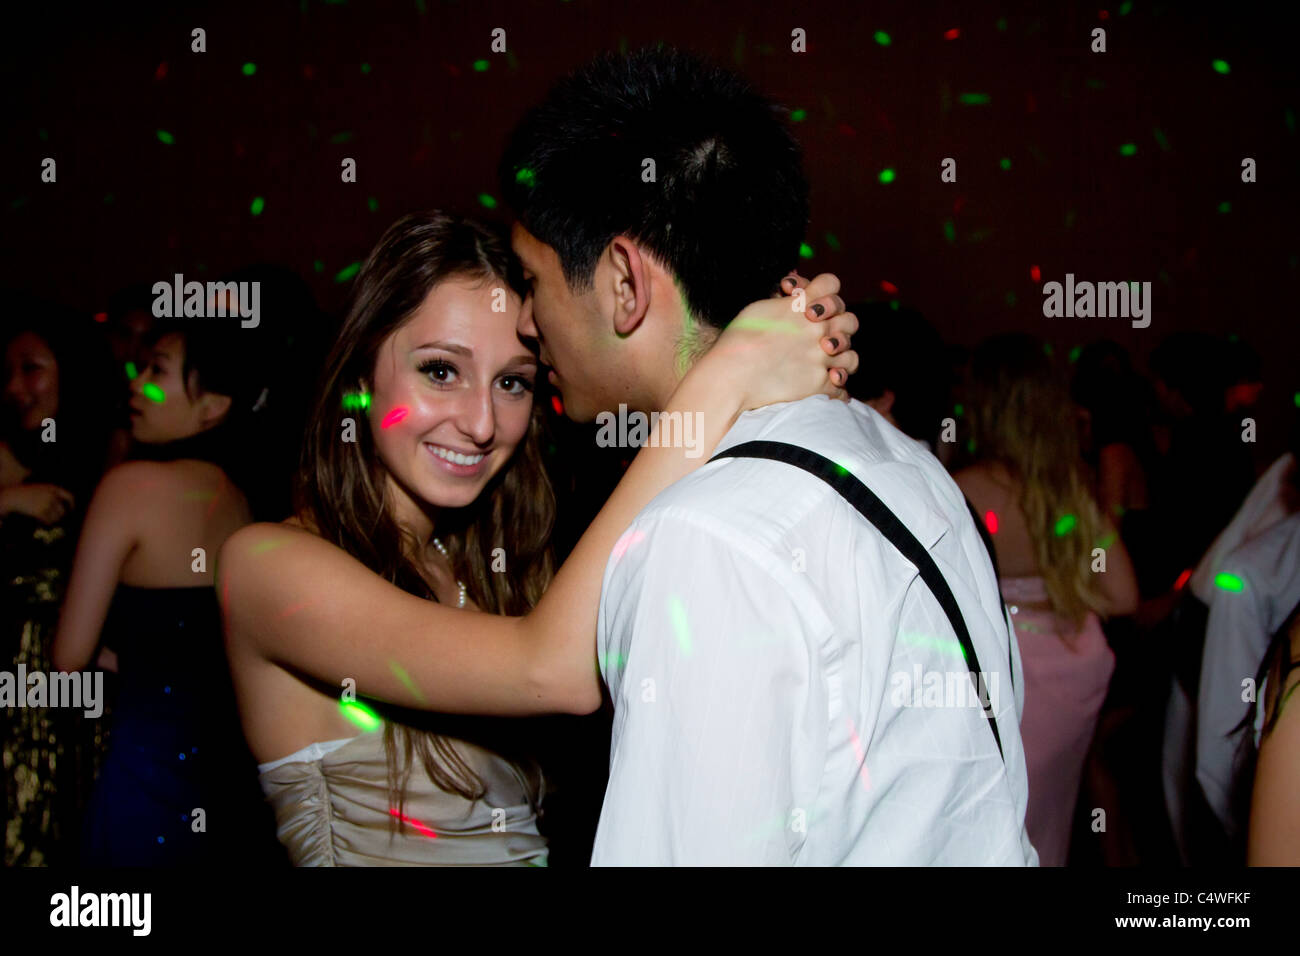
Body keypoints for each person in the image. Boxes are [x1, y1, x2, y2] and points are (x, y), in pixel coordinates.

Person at [492, 46, 1031, 865]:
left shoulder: (704, 542)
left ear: (625, 285)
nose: (527, 323)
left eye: (530, 280)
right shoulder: (903, 457)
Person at [218, 210, 856, 865]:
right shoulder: (269, 567)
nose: (482, 422)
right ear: (359, 376)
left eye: (512, 382)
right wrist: (728, 371)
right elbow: (551, 671)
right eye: (441, 370)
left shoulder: (500, 568)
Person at [52, 314, 285, 866]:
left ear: (214, 405)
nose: (137, 384)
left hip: (145, 781)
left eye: (158, 371)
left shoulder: (129, 487)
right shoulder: (240, 501)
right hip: (228, 788)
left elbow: (67, 660)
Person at [953, 334, 1138, 866]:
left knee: (998, 820)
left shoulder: (959, 487)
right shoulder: (1064, 490)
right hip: (1069, 666)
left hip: (1008, 674)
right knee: (1046, 819)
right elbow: (1123, 594)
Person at [2, 306, 118, 865]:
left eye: (32, 369)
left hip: (74, 684)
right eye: (9, 372)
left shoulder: (112, 453)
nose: (15, 387)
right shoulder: (9, 455)